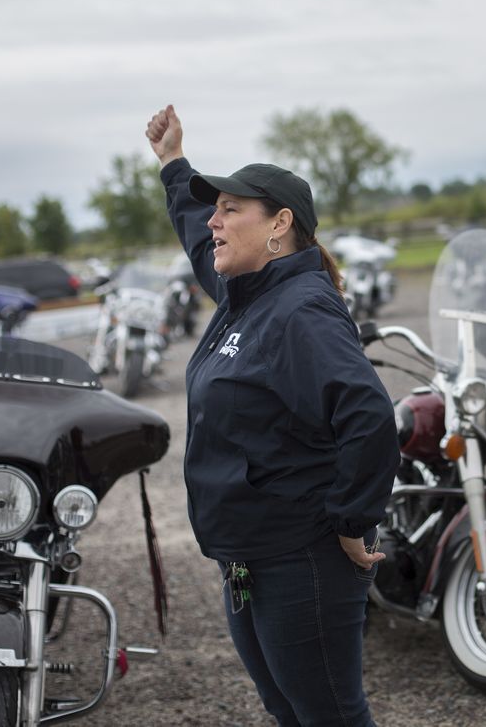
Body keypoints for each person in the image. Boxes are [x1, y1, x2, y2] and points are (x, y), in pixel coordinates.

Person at [145, 104, 399, 727]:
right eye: (216, 209)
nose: (215, 222)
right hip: (249, 560)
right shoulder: (248, 292)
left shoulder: (300, 310)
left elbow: (367, 414)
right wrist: (174, 163)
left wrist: (350, 520)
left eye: (232, 209)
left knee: (330, 715)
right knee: (288, 710)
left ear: (280, 224)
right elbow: (196, 232)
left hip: (301, 562)